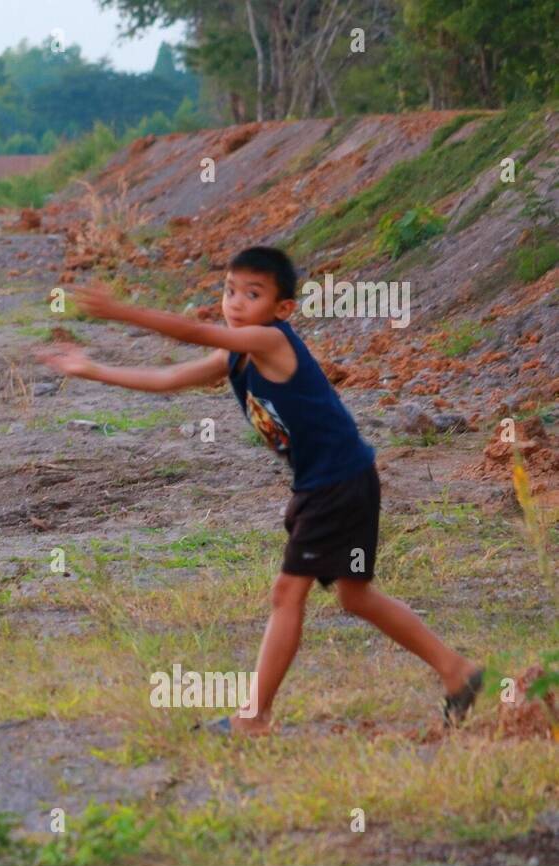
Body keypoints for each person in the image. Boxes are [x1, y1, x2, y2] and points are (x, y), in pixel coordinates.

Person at [35, 246, 484, 735]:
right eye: (229, 290)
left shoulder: (271, 341)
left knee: (286, 594)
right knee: (355, 597)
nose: (236, 302)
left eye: (253, 294)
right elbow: (166, 379)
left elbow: (196, 331)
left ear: (282, 308)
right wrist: (91, 369)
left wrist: (123, 311)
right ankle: (458, 671)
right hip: (337, 482)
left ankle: (254, 717)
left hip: (336, 486)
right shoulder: (235, 355)